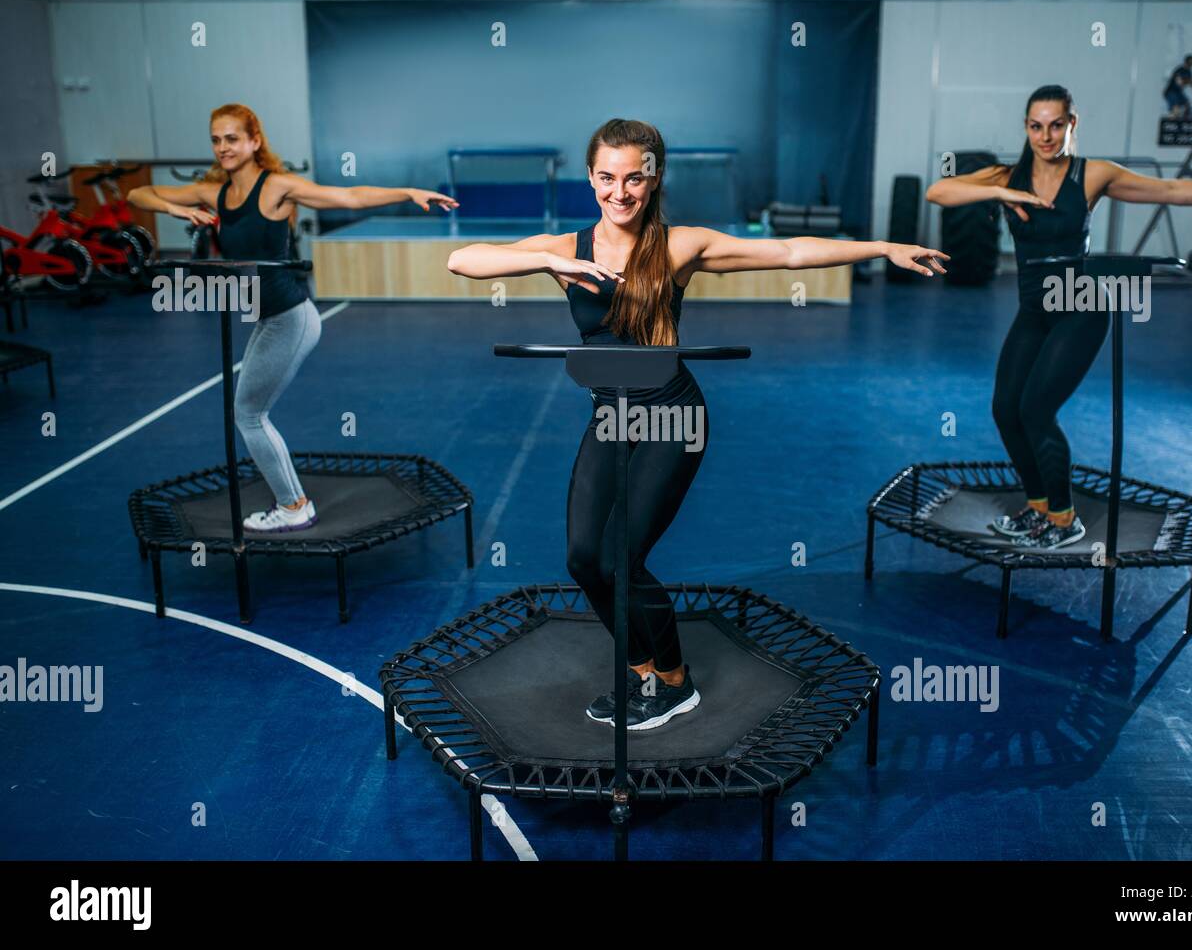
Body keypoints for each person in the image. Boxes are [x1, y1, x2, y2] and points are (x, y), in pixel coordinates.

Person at [449, 118, 945, 730]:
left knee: (621, 560)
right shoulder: (565, 249)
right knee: (583, 558)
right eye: (607, 177)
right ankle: (640, 670)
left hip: (672, 415)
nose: (619, 192)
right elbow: (460, 259)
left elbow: (788, 252)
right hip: (612, 417)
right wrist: (554, 268)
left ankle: (675, 681)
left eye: (634, 178)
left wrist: (882, 248)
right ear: (590, 178)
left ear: (654, 179)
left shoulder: (681, 246)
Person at [926, 84, 1192, 550]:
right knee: (1005, 409)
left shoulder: (1091, 174)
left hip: (1079, 304)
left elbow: (1174, 190)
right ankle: (1038, 506)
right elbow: (937, 191)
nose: (1046, 136)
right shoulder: (1007, 175)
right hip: (1033, 308)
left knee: (1037, 410)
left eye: (1056, 125)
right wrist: (1000, 190)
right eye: (1036, 126)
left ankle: (1064, 521)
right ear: (1026, 127)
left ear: (1071, 124)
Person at [129, 103, 456, 532]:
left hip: (292, 317)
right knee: (248, 412)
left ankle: (294, 505)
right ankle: (292, 500)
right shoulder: (214, 192)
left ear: (254, 141)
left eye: (231, 138)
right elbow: (138, 195)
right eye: (215, 139)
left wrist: (408, 193)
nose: (222, 147)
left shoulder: (277, 187)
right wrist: (174, 210)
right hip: (267, 318)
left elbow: (348, 196)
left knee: (248, 414)